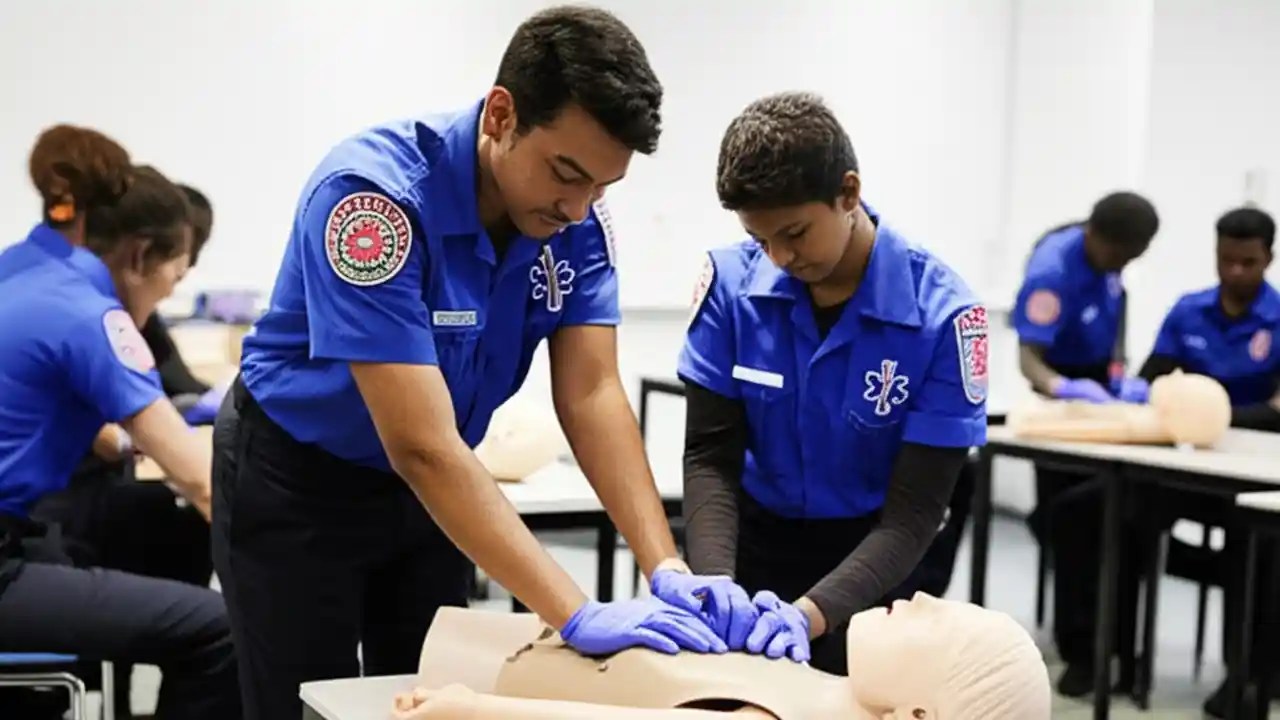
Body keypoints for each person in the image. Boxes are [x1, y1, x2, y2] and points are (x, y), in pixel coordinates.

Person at [212, 7, 730, 719]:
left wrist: (661, 560)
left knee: (435, 700)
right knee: (305, 703)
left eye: (602, 188)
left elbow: (593, 392)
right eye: (565, 173)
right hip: (301, 479)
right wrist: (574, 614)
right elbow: (419, 445)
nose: (579, 208)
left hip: (434, 486)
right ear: (500, 114)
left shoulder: (573, 223)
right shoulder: (373, 201)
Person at [676, 92, 989, 675]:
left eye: (794, 233)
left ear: (848, 193)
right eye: (760, 239)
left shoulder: (943, 315)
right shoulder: (729, 286)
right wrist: (715, 585)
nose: (779, 257)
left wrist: (812, 614)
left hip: (878, 555)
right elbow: (710, 455)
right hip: (757, 539)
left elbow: (914, 513)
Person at [0, 125, 241, 719]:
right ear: (139, 256)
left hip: (23, 534)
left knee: (143, 539)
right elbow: (203, 481)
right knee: (223, 631)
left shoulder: (20, 268)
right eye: (175, 277)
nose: (166, 295)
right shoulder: (90, 316)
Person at [392, 593, 1052, 720]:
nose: (923, 597)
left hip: (496, 667)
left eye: (934, 625)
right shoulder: (836, 694)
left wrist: (472, 711)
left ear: (916, 716)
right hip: (543, 644)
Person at [1011, 191, 1159, 697]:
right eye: (1120, 256)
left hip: (1100, 389)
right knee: (1068, 527)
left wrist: (1119, 375)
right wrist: (1064, 388)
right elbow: (1029, 359)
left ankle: (1119, 647)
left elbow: (1116, 323)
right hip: (1060, 397)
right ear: (1097, 237)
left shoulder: (1114, 265)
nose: (1122, 266)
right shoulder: (1053, 270)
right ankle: (1080, 649)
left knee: (1116, 522)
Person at [1135, 206, 1280, 717]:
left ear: (1268, 258)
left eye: (1248, 262)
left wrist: (1209, 415)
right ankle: (1108, 655)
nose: (1235, 272)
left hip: (1252, 480)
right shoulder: (1188, 310)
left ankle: (1247, 679)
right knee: (1094, 512)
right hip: (1185, 471)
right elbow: (1151, 379)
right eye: (1225, 260)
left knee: (1257, 548)